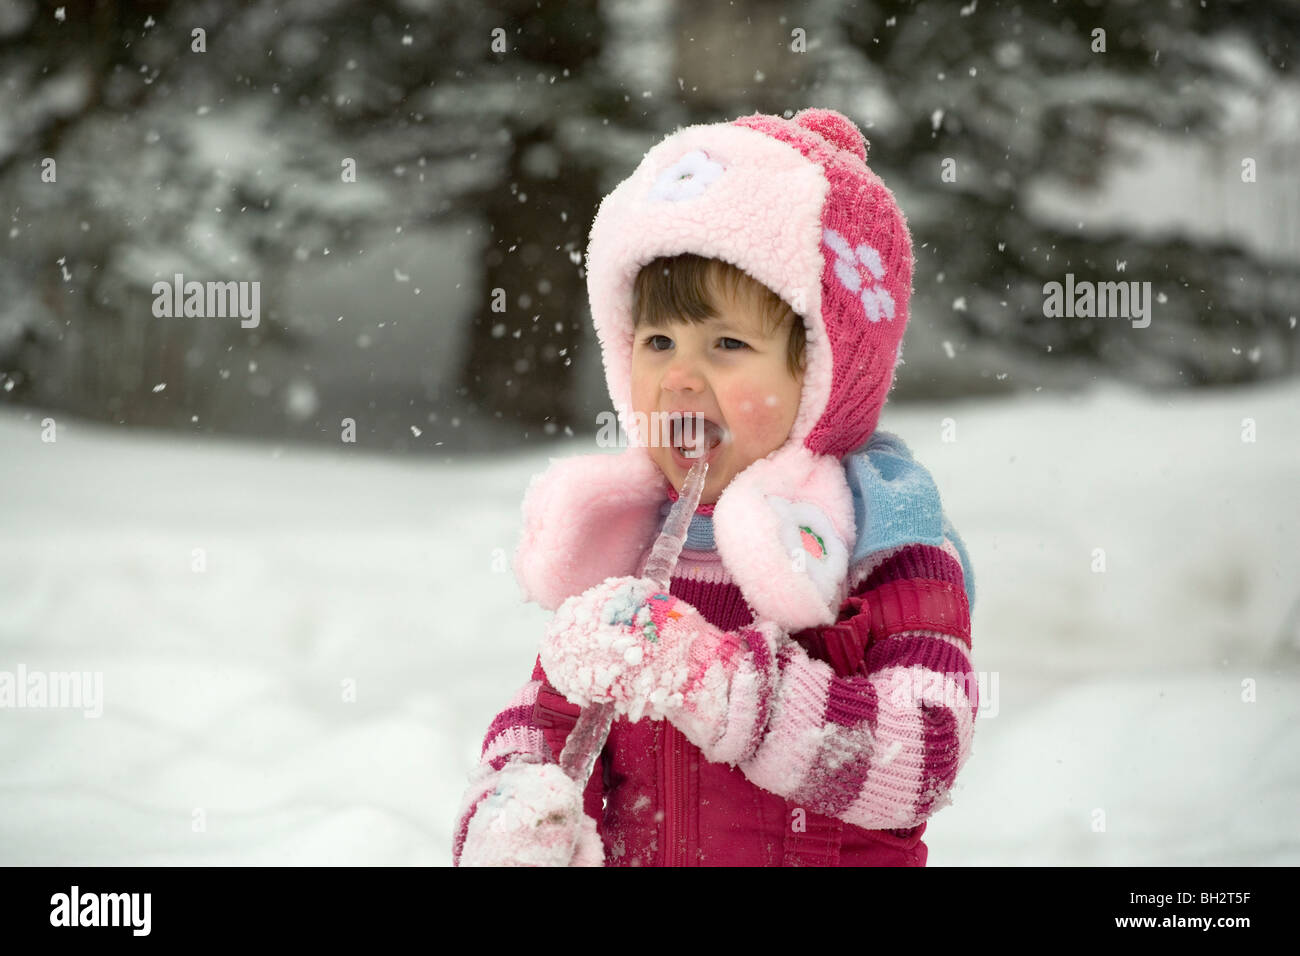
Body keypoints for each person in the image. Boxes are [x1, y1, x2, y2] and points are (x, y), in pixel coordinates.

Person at [452, 108, 978, 867]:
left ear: (824, 377)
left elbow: (923, 758)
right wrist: (512, 809)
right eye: (657, 341)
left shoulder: (878, 542)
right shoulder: (628, 543)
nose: (681, 376)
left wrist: (725, 688)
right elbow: (546, 717)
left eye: (728, 344)